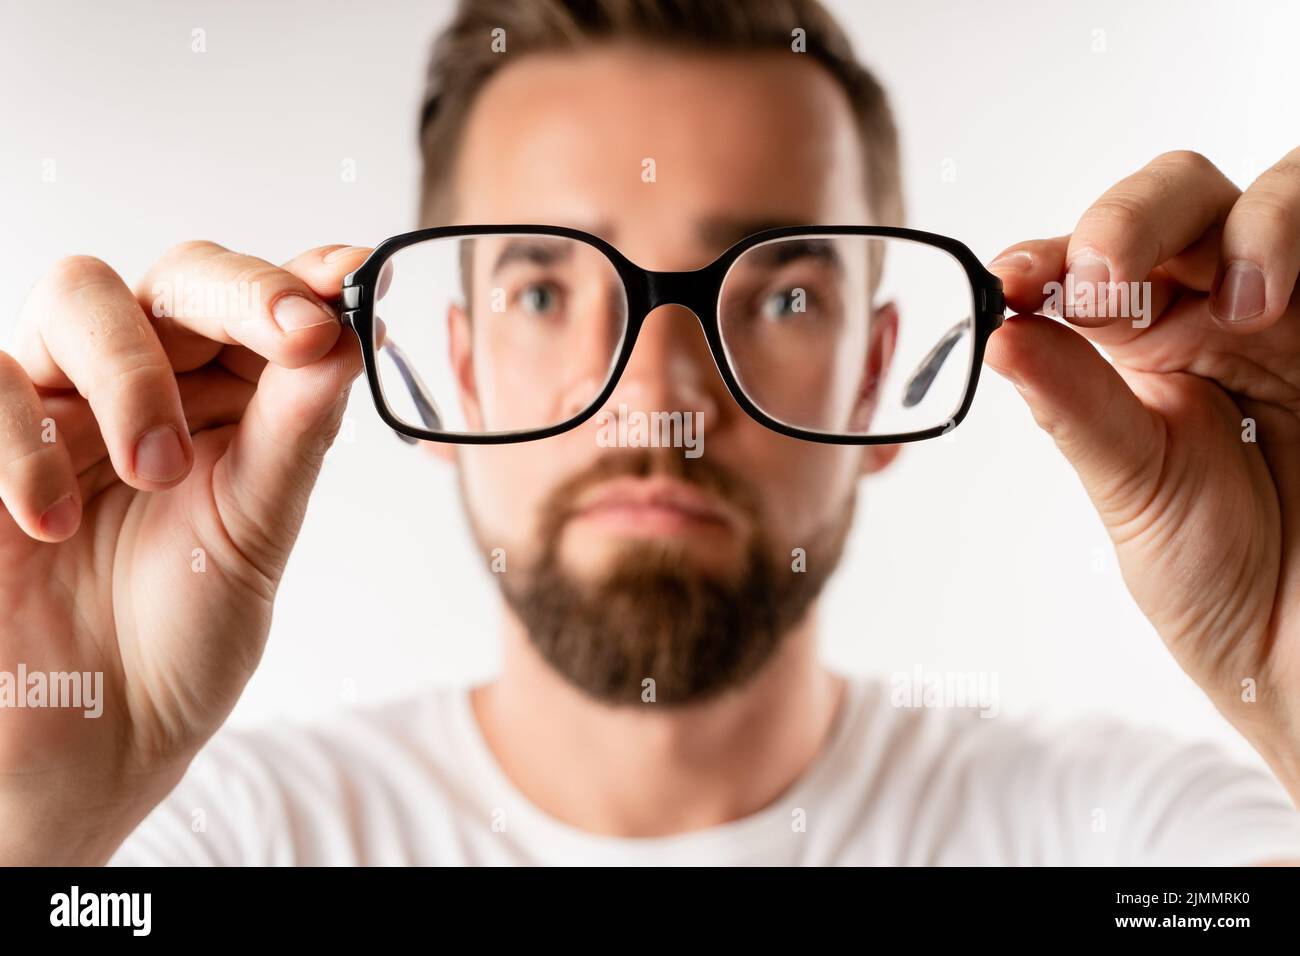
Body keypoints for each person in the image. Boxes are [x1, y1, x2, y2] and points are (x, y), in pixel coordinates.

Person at [2, 0, 1299, 866]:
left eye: (783, 293)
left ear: (879, 377)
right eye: (547, 289)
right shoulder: (205, 848)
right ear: (441, 366)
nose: (663, 390)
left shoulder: (1139, 845)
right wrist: (40, 814)